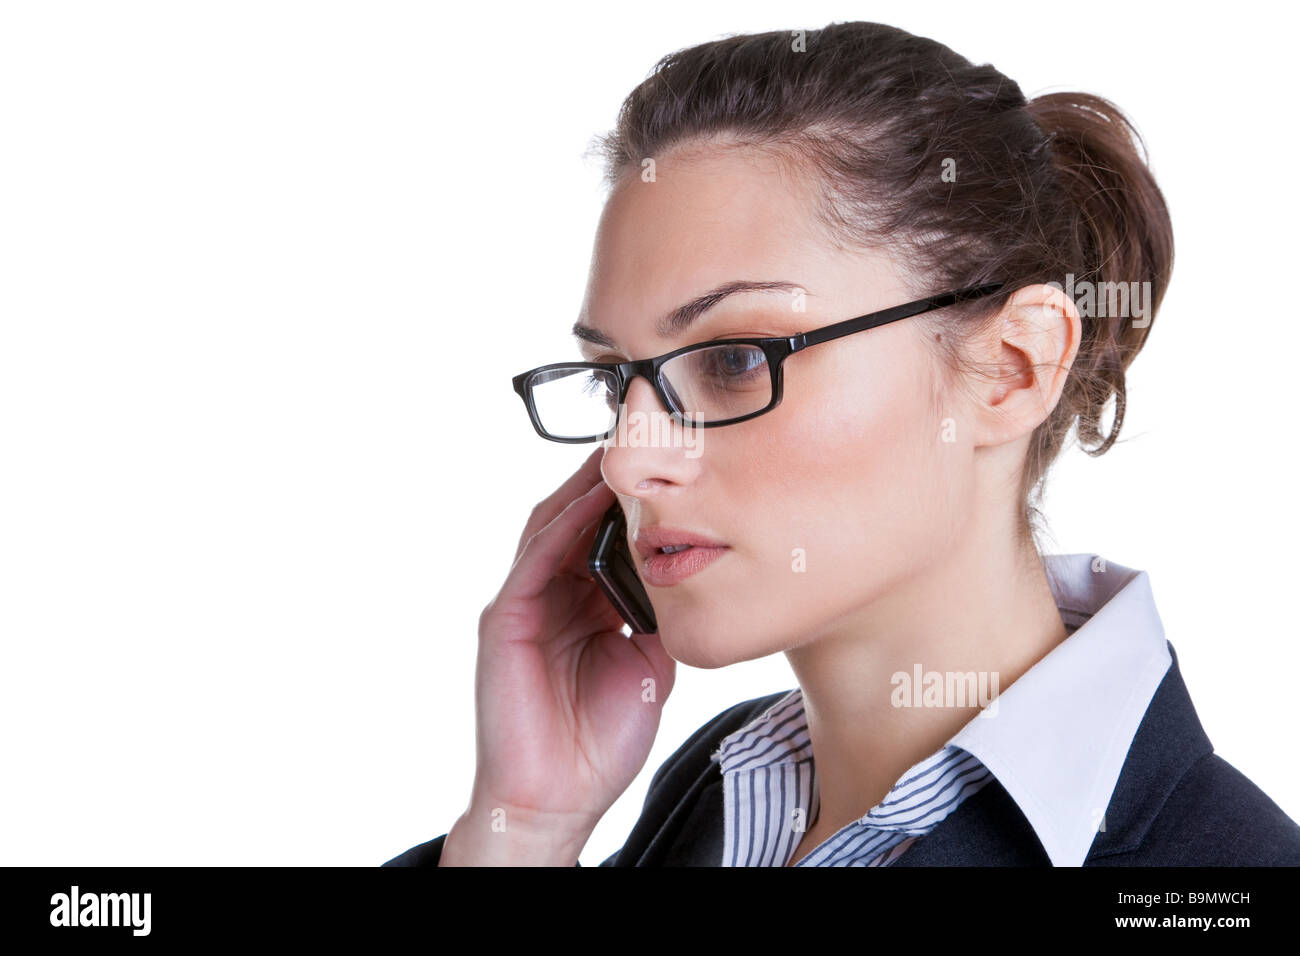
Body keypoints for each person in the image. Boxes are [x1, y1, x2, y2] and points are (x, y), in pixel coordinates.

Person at [385, 21, 1300, 866]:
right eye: (612, 375)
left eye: (735, 358)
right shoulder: (701, 802)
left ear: (1015, 367)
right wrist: (523, 826)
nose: (628, 458)